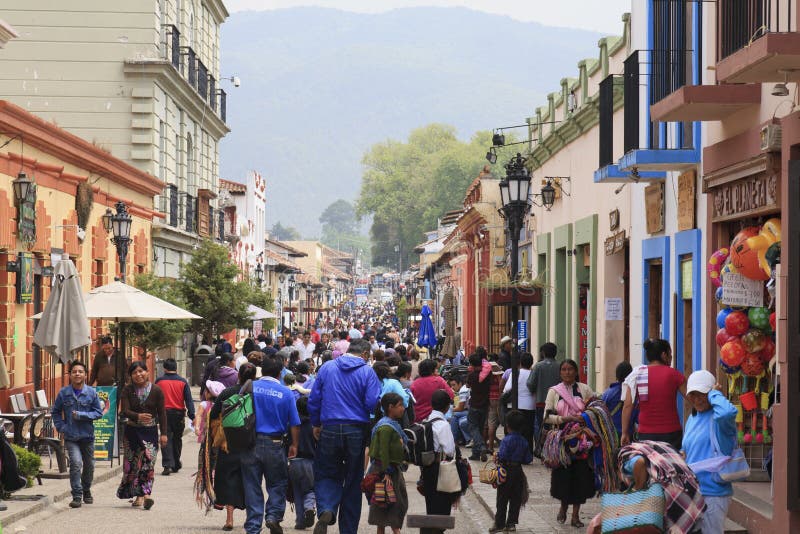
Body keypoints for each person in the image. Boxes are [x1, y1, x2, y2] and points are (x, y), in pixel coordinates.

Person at [307, 338, 381, 534]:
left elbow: (314, 399)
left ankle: (327, 508)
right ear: (364, 354)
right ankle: (348, 529)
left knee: (326, 472)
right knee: (353, 479)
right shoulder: (367, 372)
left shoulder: (327, 368)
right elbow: (372, 403)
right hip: (356, 429)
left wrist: (316, 423)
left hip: (329, 427)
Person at [241, 356, 301, 534]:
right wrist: (294, 445)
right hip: (275, 443)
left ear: (262, 370)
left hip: (250, 442)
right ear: (280, 373)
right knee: (277, 483)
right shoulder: (286, 393)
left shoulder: (250, 386)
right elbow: (294, 423)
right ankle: (273, 517)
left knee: (252, 485)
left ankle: (253, 526)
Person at [683, 370, 738, 534]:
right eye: (693, 395)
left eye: (702, 394)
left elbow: (728, 412)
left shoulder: (720, 420)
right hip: (693, 491)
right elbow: (688, 449)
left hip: (713, 493)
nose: (697, 399)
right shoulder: (693, 418)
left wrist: (715, 394)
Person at [544, 359, 596, 528]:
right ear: (560, 373)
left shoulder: (584, 390)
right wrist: (565, 419)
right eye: (564, 369)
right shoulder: (554, 392)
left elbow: (594, 409)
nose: (567, 372)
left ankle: (575, 516)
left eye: (570, 369)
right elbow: (547, 417)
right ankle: (563, 507)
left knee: (580, 477)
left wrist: (584, 418)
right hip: (562, 442)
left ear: (576, 371)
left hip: (581, 440)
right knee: (564, 477)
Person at [51, 360, 103, 508]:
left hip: (87, 436)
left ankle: (86, 489)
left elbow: (98, 413)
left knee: (89, 466)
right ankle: (77, 495)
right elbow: (55, 412)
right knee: (75, 463)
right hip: (71, 436)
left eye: (80, 372)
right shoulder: (64, 393)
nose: (77, 374)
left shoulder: (91, 393)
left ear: (85, 375)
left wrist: (81, 415)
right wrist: (61, 427)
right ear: (70, 375)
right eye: (74, 372)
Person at [117, 362, 168, 510]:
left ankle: (146, 495)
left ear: (147, 372)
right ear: (131, 376)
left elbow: (162, 413)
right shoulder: (127, 390)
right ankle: (140, 495)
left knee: (148, 463)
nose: (138, 375)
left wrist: (164, 434)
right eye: (134, 372)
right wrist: (138, 416)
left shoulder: (157, 390)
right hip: (132, 432)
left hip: (150, 432)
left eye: (141, 371)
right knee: (133, 465)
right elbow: (124, 411)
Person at [204, 370, 252, 530]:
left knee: (228, 479)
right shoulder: (255, 394)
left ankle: (229, 519)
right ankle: (252, 519)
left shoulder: (227, 393)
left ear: (239, 376)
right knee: (249, 480)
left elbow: (214, 414)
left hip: (227, 442)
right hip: (249, 442)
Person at [621, 338, 687, 450]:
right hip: (671, 433)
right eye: (670, 355)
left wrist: (624, 432)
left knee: (649, 461)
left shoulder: (637, 375)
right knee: (670, 461)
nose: (671, 358)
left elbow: (628, 406)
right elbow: (691, 396)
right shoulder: (674, 374)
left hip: (646, 434)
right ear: (664, 355)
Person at [367, 392, 409, 534]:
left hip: (389, 470)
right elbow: (383, 451)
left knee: (386, 506)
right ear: (391, 407)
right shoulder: (385, 427)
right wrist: (386, 472)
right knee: (389, 505)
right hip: (385, 472)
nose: (403, 408)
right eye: (400, 405)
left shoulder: (391, 425)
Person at [419, 390, 458, 530]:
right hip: (441, 470)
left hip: (427, 469)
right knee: (442, 508)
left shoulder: (426, 421)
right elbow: (449, 450)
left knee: (431, 506)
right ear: (447, 407)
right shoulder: (443, 425)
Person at [489, 410, 533, 533]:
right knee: (516, 499)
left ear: (507, 426)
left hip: (505, 472)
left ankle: (499, 524)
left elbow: (502, 455)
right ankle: (511, 524)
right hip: (518, 471)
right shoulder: (524, 441)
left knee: (502, 499)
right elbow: (528, 459)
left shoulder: (506, 440)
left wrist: (497, 456)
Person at [154, 358, 195, 476]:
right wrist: (192, 415)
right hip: (179, 414)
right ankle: (176, 463)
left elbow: (154, 398)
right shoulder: (183, 382)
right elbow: (189, 400)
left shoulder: (159, 381)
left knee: (165, 437)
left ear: (164, 368)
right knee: (177, 439)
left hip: (164, 414)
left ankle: (167, 465)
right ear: (176, 368)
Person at [289, 396, 318, 531]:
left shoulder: (292, 424)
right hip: (309, 462)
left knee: (297, 492)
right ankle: (309, 507)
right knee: (310, 489)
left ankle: (300, 521)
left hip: (294, 462)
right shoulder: (314, 425)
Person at [526, 342, 561, 442]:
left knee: (542, 426)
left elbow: (530, 383)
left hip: (541, 402)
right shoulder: (560, 366)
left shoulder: (538, 366)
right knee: (556, 426)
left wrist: (534, 391)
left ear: (543, 353)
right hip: (558, 403)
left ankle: (542, 446)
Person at [502, 352, 535, 452]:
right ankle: (527, 453)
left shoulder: (515, 373)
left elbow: (507, 389)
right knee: (528, 433)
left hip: (514, 406)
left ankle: (512, 452)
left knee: (513, 432)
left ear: (520, 362)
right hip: (530, 406)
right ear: (531, 363)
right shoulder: (533, 374)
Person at [466, 352, 491, 462]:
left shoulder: (472, 375)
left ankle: (481, 447)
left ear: (472, 364)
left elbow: (467, 385)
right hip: (484, 405)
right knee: (479, 429)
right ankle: (475, 454)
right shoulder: (487, 374)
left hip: (474, 405)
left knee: (473, 428)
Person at [600, 361, 635, 436]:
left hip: (611, 435)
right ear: (631, 375)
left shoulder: (607, 394)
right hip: (629, 434)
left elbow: (601, 413)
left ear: (617, 376)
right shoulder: (633, 393)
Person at [447, 375, 470, 446]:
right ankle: (459, 440)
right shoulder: (463, 389)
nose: (452, 387)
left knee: (453, 416)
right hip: (467, 411)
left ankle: (454, 440)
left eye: (454, 385)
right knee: (455, 418)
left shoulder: (463, 390)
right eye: (451, 385)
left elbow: (460, 408)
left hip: (469, 411)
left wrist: (450, 409)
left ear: (460, 383)